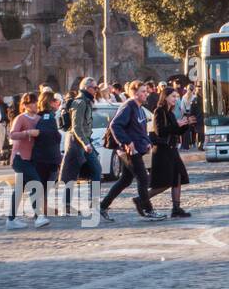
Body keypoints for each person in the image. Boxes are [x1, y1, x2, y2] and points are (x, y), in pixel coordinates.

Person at [101, 80, 165, 221]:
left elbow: (141, 131)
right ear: (134, 93)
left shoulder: (140, 108)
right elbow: (115, 125)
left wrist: (147, 142)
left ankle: (102, 206)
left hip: (136, 149)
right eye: (142, 92)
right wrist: (127, 142)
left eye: (146, 91)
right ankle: (148, 209)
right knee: (143, 178)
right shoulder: (128, 106)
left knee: (125, 180)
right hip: (129, 151)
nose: (146, 94)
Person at [59, 77, 105, 220]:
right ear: (86, 88)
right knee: (71, 175)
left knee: (95, 170)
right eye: (94, 87)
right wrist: (86, 143)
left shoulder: (86, 101)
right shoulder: (80, 102)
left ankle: (94, 204)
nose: (96, 90)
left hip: (83, 142)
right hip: (76, 143)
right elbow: (76, 127)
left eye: (97, 88)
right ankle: (66, 206)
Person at [6, 93, 49, 229]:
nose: (35, 104)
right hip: (19, 158)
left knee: (19, 189)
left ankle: (11, 220)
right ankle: (38, 217)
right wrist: (28, 133)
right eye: (31, 102)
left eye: (36, 102)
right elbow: (12, 135)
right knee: (35, 183)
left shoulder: (39, 118)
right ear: (24, 105)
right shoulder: (20, 118)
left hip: (32, 159)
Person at [147, 87, 191, 218]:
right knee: (165, 182)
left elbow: (175, 131)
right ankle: (142, 198)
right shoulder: (159, 111)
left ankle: (176, 208)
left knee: (178, 177)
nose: (176, 99)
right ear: (165, 97)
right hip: (162, 151)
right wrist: (177, 125)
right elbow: (160, 131)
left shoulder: (170, 113)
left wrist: (185, 125)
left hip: (172, 149)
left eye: (177, 97)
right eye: (173, 96)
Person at [30, 89, 62, 221]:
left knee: (41, 185)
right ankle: (41, 210)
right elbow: (54, 136)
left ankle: (42, 209)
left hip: (39, 156)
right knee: (45, 185)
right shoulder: (50, 117)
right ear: (50, 102)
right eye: (54, 100)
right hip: (50, 157)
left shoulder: (36, 117)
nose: (57, 103)